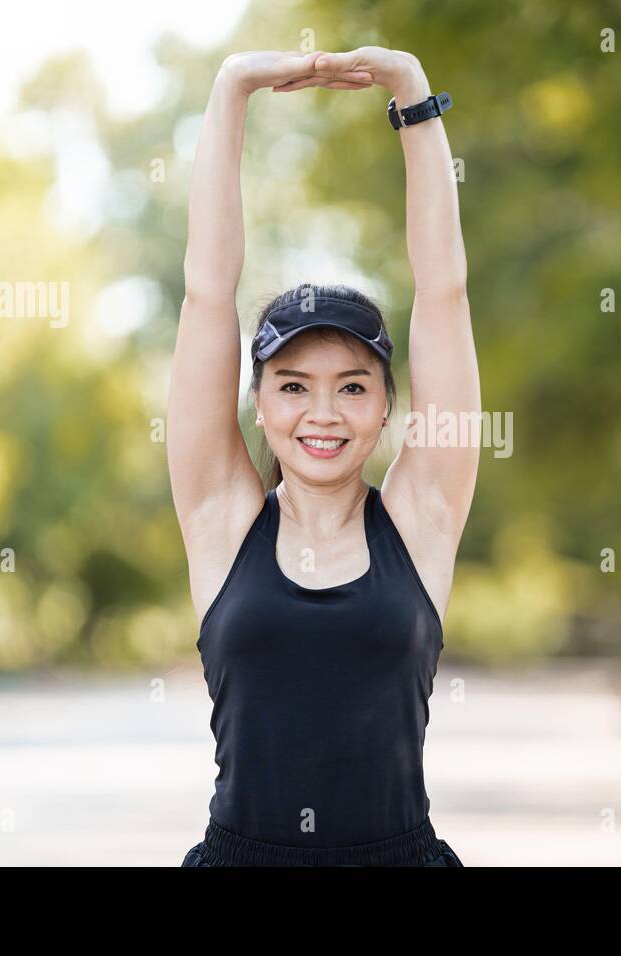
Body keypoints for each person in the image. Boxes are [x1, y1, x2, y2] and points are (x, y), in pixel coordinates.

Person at [168, 48, 478, 867]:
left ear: (385, 407)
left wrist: (413, 92)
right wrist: (231, 86)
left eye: (352, 387)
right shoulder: (220, 520)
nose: (323, 413)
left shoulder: (423, 519)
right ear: (259, 402)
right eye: (294, 385)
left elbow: (444, 291)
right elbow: (207, 292)